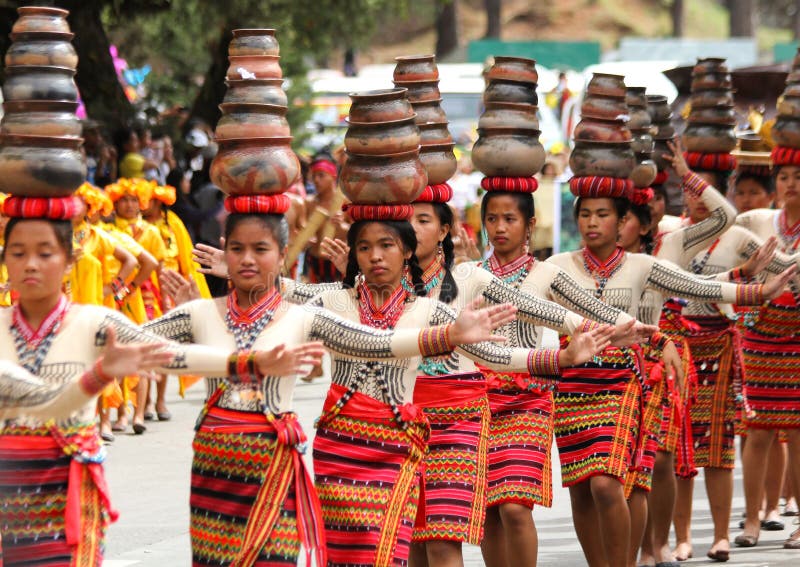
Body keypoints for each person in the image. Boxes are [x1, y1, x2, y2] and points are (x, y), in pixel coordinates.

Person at [143, 202, 520, 566]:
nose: (375, 256)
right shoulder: (322, 304)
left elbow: (380, 344)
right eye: (365, 247)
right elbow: (132, 342)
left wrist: (558, 357)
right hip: (308, 448)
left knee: (397, 549)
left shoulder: (426, 307)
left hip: (396, 440)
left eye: (386, 245)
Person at [0, 212, 321, 566]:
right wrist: (246, 361)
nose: (31, 265)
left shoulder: (92, 322)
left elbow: (168, 354)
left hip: (66, 501)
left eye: (45, 253)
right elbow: (40, 399)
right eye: (17, 253)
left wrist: (246, 361)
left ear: (68, 259)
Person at [545, 183, 794, 567]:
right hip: (573, 387)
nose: (592, 222)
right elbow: (523, 299)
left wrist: (757, 292)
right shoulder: (557, 266)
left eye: (603, 214)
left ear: (624, 221)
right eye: (585, 214)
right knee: (582, 488)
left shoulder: (645, 264)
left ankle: (637, 555)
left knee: (611, 481)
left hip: (626, 382)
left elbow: (698, 286)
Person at [734, 158, 800, 550]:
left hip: (798, 339)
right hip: (759, 338)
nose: (791, 183)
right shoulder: (760, 221)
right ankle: (753, 517)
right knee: (757, 431)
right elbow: (725, 226)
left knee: (797, 430)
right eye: (784, 177)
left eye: (798, 177)